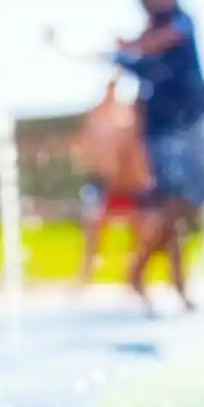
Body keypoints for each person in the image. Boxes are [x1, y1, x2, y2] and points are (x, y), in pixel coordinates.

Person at [95, 0, 204, 313]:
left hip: (196, 122)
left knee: (184, 211)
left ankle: (150, 275)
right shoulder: (144, 46)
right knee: (173, 204)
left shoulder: (179, 22)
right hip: (165, 132)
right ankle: (162, 280)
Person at [70, 76, 150, 286]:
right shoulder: (97, 117)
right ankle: (87, 275)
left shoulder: (125, 116)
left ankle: (132, 275)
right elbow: (83, 145)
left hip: (127, 183)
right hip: (103, 180)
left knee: (139, 226)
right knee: (95, 225)